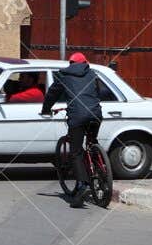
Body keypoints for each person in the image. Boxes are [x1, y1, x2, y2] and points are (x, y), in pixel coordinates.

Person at [39, 53, 104, 208]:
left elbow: (52, 94)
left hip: (77, 116)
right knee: (92, 142)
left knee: (75, 152)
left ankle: (82, 184)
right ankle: (99, 167)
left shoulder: (64, 75)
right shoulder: (92, 73)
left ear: (71, 63)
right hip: (96, 114)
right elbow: (98, 92)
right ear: (85, 62)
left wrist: (46, 109)